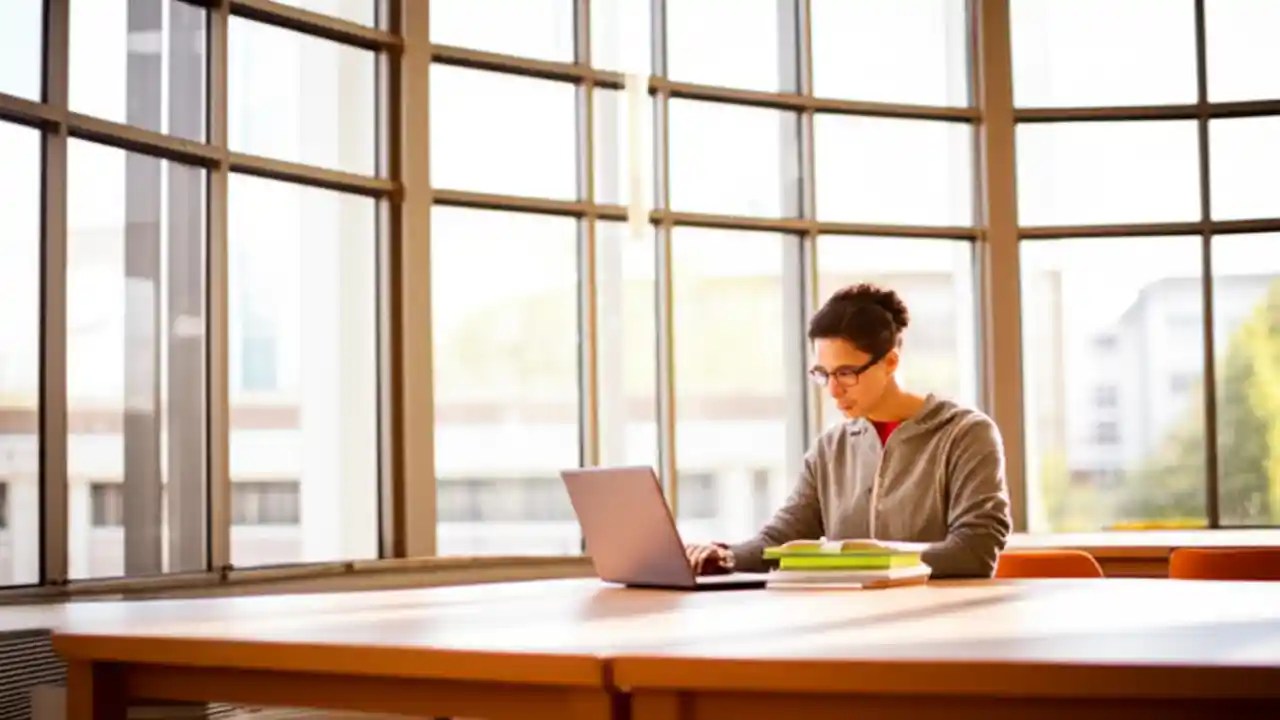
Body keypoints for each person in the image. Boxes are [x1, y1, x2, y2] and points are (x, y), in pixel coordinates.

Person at [685, 283, 1012, 578]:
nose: (833, 389)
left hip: (936, 627)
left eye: (846, 373)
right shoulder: (830, 448)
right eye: (823, 374)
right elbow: (780, 540)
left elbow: (975, 550)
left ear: (890, 362)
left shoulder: (966, 434)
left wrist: (858, 561)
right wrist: (725, 557)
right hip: (842, 625)